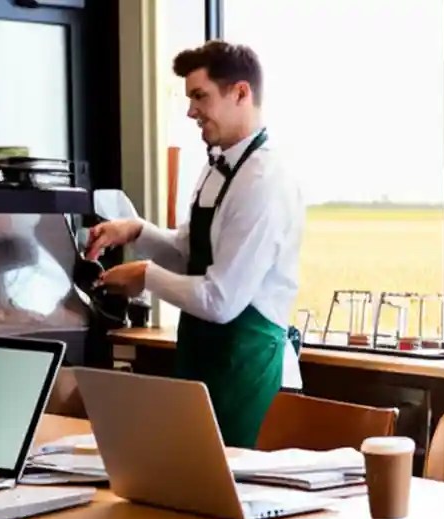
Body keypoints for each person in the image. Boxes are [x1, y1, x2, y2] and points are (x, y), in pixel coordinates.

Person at [87, 41, 303, 449]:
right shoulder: (216, 165)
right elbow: (189, 251)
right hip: (202, 359)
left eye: (200, 96)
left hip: (247, 369)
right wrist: (135, 231)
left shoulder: (265, 180)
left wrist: (146, 275)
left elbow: (221, 299)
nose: (190, 111)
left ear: (241, 93)